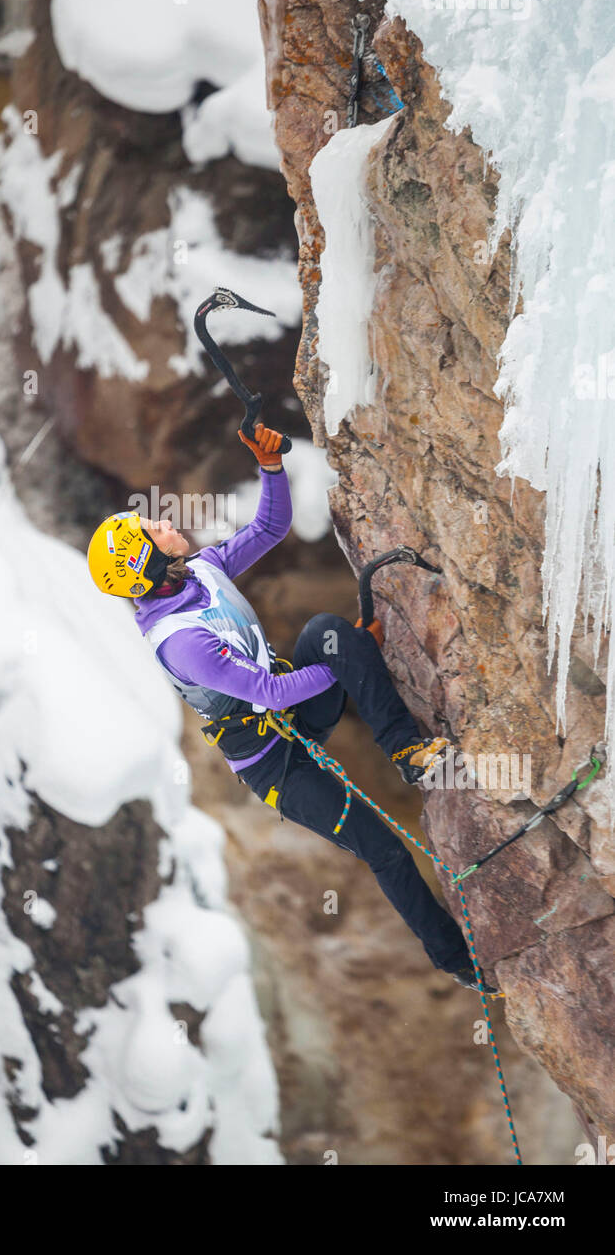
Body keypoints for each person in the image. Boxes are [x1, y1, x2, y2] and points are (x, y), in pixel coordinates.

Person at [87, 423, 498, 993]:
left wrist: (271, 467)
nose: (161, 522)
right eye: (149, 531)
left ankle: (408, 752)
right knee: (385, 849)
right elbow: (271, 693)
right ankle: (457, 961)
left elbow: (268, 528)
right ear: (147, 564)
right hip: (276, 765)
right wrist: (355, 656)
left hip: (293, 718)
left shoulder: (198, 575)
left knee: (328, 632)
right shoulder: (180, 640)